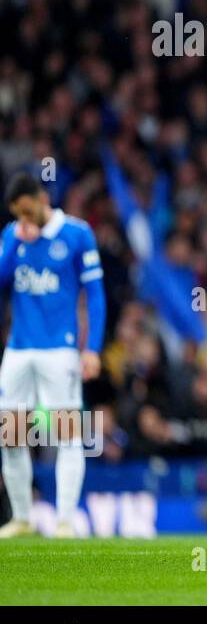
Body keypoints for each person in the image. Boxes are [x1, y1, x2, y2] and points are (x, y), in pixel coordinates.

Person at [0, 173, 105, 538]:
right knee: (10, 436)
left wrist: (91, 349)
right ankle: (22, 518)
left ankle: (64, 520)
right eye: (18, 215)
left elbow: (95, 295)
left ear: (41, 198)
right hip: (18, 350)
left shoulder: (77, 234)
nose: (24, 220)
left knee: (67, 435)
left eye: (28, 212)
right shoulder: (13, 235)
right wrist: (14, 243)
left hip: (60, 351)